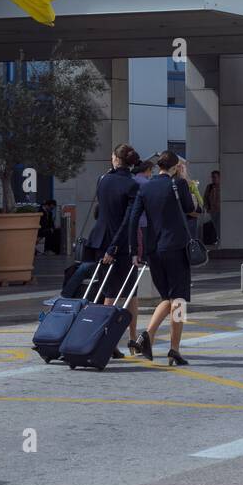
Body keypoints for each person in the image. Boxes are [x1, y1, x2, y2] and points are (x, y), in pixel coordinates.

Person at [127, 150, 198, 366]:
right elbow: (190, 208)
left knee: (167, 297)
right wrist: (185, 179)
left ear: (159, 166)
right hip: (176, 247)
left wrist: (133, 251)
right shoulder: (179, 184)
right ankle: (173, 348)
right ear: (176, 167)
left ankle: (146, 336)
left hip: (153, 250)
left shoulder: (146, 187)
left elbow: (133, 219)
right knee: (179, 300)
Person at [87, 145, 141, 358]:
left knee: (112, 292)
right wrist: (116, 246)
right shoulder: (132, 185)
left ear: (116, 160)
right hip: (120, 244)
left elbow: (102, 212)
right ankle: (118, 340)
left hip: (102, 241)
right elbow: (127, 222)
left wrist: (110, 246)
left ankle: (118, 340)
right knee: (125, 294)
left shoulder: (103, 180)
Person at [204, 169, 221, 243]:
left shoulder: (222, 186)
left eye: (215, 177)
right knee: (216, 226)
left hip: (221, 211)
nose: (213, 179)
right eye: (212, 177)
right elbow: (205, 198)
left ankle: (221, 239)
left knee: (221, 226)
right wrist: (207, 208)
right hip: (213, 211)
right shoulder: (210, 187)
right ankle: (219, 239)